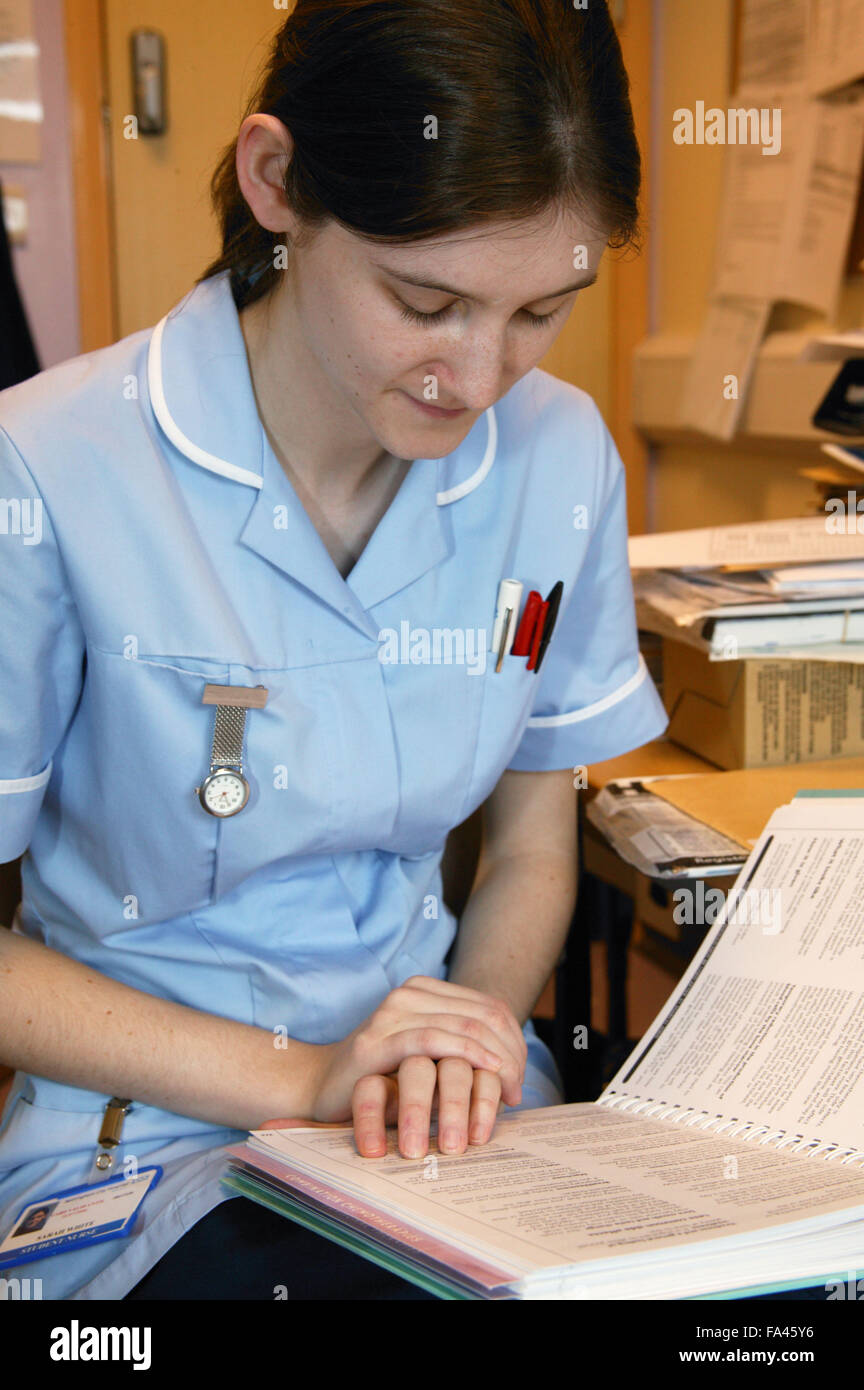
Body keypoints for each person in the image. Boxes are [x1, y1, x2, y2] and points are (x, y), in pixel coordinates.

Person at [0, 0, 668, 1300]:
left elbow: (535, 845)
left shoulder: (558, 454)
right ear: (276, 184)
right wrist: (307, 1075)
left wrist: (472, 1025)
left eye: (542, 310)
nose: (478, 377)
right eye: (428, 300)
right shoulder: (50, 466)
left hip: (447, 1122)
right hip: (148, 1133)